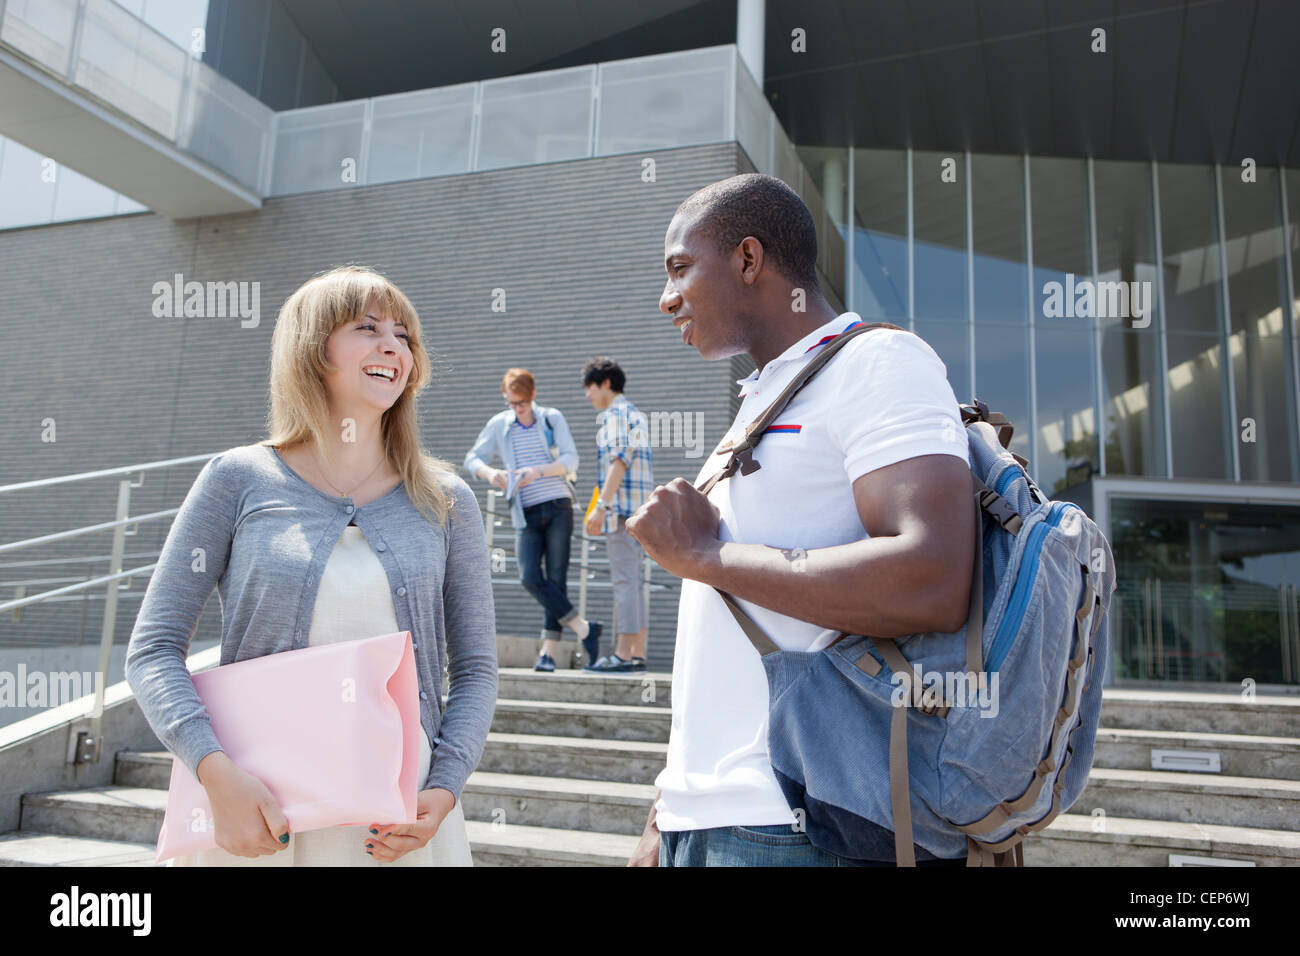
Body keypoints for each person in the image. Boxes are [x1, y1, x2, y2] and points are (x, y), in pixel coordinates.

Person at [624, 174, 976, 867]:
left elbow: (931, 578)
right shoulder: (768, 394)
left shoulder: (879, 363)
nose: (666, 299)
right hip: (707, 820)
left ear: (748, 261)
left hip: (799, 827)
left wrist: (704, 556)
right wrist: (666, 811)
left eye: (679, 269)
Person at [125, 265, 498, 866]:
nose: (391, 347)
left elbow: (477, 668)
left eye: (404, 336)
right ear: (311, 348)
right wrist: (216, 775)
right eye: (367, 327)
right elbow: (152, 649)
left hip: (396, 817)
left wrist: (445, 785)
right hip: (254, 805)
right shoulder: (237, 478)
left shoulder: (448, 500)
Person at [464, 369, 603, 672]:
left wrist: (537, 472)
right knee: (529, 576)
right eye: (512, 403)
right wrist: (492, 474)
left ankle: (547, 654)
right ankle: (584, 629)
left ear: (533, 396)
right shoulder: (500, 425)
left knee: (556, 579)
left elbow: (571, 460)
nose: (518, 408)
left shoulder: (551, 418)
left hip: (557, 506)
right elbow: (472, 458)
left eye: (523, 402)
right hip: (524, 510)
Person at [580, 357, 653, 672]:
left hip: (621, 512)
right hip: (638, 512)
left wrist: (600, 507)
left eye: (590, 387)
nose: (588, 395)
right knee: (635, 583)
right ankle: (636, 653)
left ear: (606, 383)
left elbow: (618, 462)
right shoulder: (634, 413)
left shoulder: (615, 415)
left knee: (625, 582)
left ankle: (623, 654)